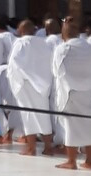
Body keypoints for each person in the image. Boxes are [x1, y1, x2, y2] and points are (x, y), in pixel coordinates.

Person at [50, 17, 91, 170]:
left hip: (71, 93)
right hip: (90, 91)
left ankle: (71, 161)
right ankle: (89, 161)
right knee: (90, 125)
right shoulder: (90, 47)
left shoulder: (63, 49)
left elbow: (56, 71)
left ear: (63, 34)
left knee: (71, 127)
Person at [7, 20, 57, 156]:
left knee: (28, 114)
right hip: (43, 85)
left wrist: (16, 80)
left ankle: (31, 148)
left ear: (22, 30)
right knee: (43, 115)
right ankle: (48, 147)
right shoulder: (44, 43)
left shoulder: (20, 43)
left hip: (26, 84)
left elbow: (14, 64)